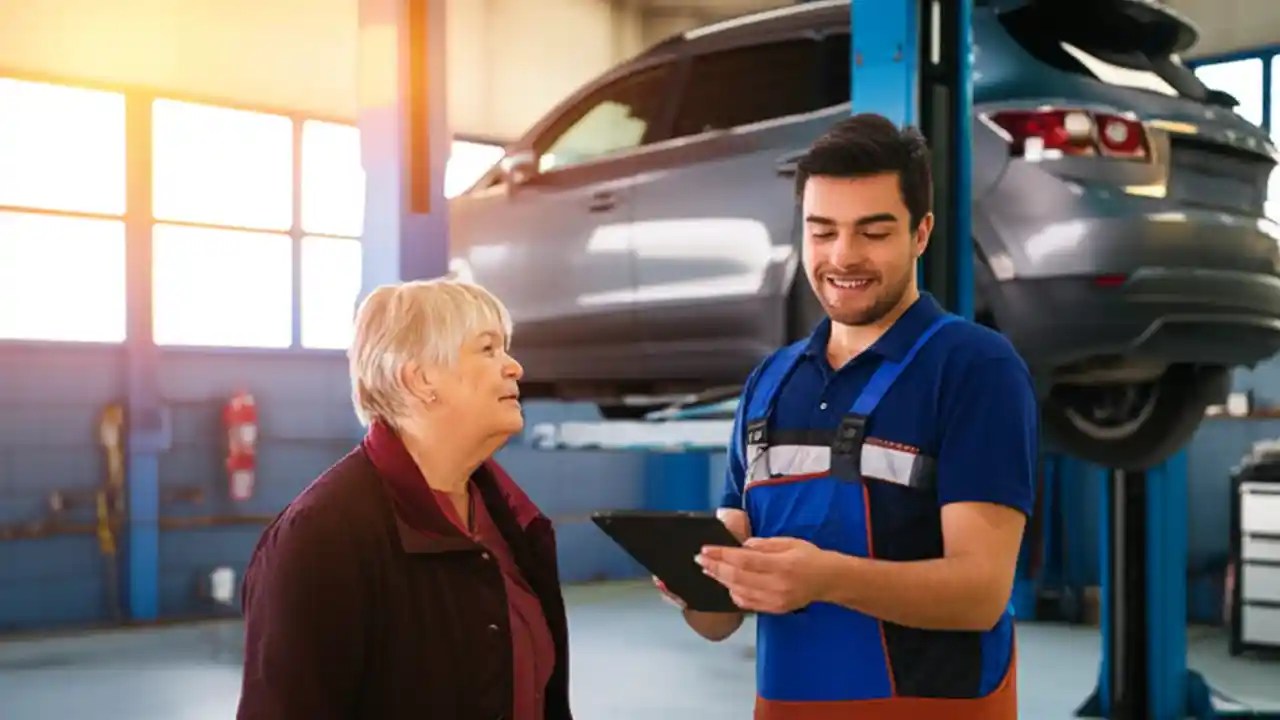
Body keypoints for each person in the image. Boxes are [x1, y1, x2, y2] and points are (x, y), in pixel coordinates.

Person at [662, 113, 1037, 719]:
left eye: (873, 232)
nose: (843, 256)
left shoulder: (974, 368)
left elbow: (979, 593)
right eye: (822, 231)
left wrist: (824, 579)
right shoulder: (769, 383)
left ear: (922, 234)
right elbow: (717, 622)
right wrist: (697, 579)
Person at [237, 278, 573, 720]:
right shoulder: (324, 535)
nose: (514, 367)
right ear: (420, 379)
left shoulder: (514, 522)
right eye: (488, 349)